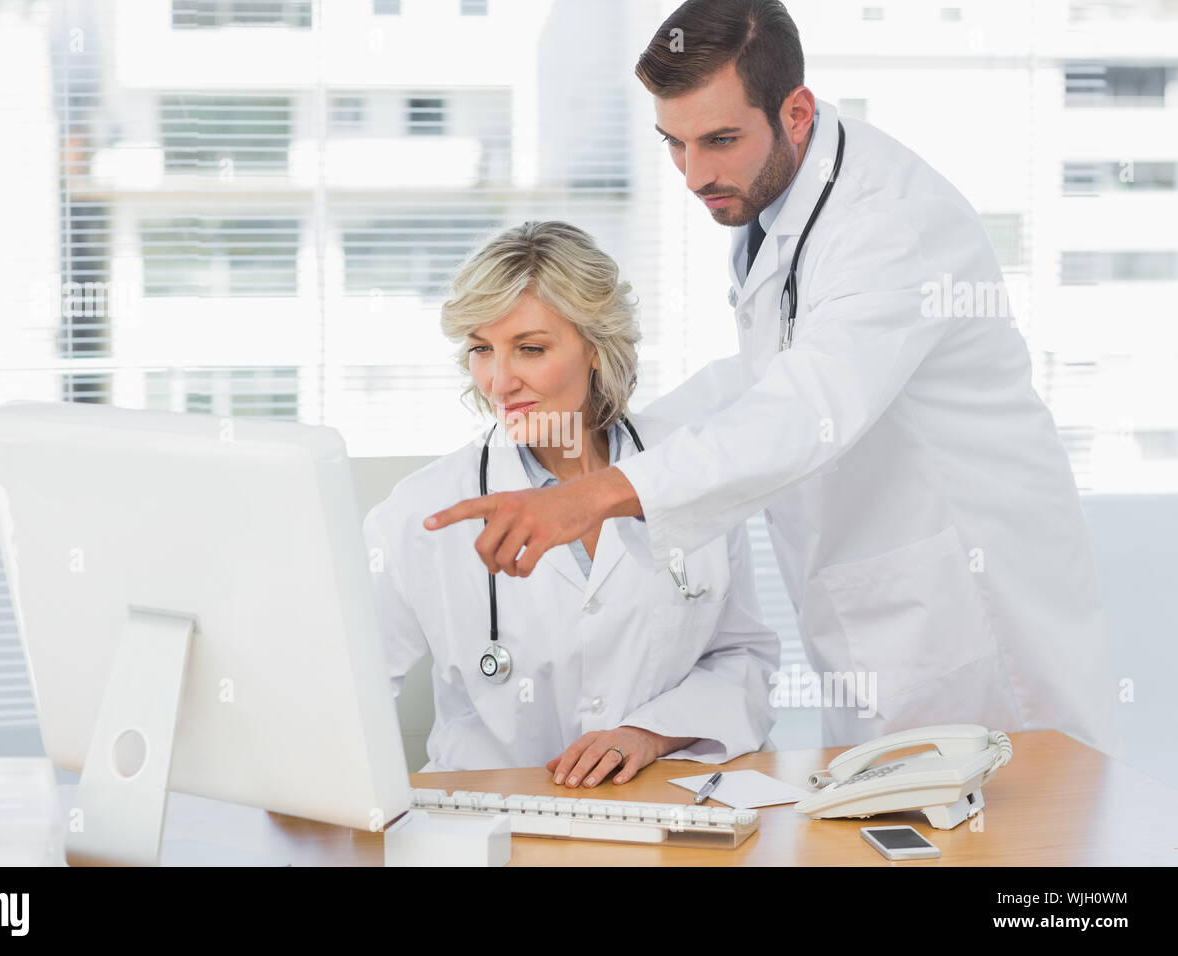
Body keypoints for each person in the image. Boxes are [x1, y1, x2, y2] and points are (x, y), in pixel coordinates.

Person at [424, 0, 1120, 755]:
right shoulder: (776, 205)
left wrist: (603, 493)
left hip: (976, 606)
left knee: (1026, 831)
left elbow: (804, 406)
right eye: (674, 144)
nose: (695, 174)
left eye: (720, 140)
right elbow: (764, 375)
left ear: (796, 112)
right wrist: (612, 436)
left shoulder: (888, 227)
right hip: (880, 600)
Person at [363, 220, 779, 785]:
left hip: (655, 811)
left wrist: (648, 732)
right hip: (492, 824)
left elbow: (743, 660)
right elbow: (342, 689)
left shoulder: (682, 469)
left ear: (596, 348)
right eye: (481, 350)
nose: (500, 381)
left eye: (530, 349)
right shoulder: (426, 510)